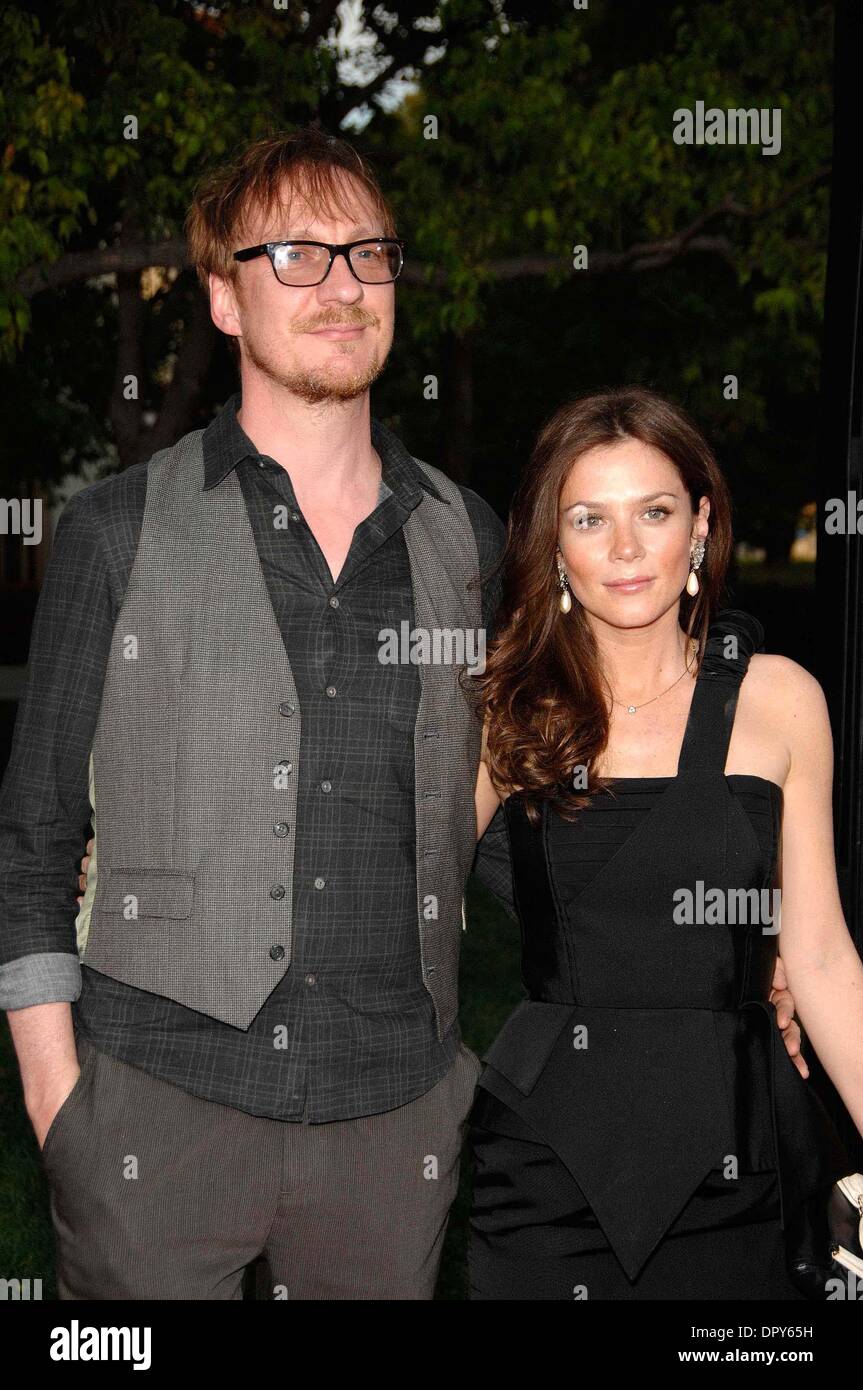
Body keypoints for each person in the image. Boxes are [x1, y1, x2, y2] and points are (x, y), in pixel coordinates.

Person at [0, 129, 803, 1301]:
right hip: (151, 1111)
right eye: (296, 255)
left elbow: (516, 803)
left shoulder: (465, 538)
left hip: (394, 1129)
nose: (340, 284)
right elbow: (30, 835)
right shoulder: (116, 531)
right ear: (222, 297)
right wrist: (56, 1099)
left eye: (367, 254)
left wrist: (728, 933)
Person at [467, 386, 863, 1300]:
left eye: (653, 511)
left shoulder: (778, 700)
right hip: (545, 1169)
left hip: (741, 1162)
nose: (624, 548)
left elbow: (824, 960)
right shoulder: (505, 710)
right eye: (587, 519)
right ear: (553, 545)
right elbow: (400, 885)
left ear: (699, 524)